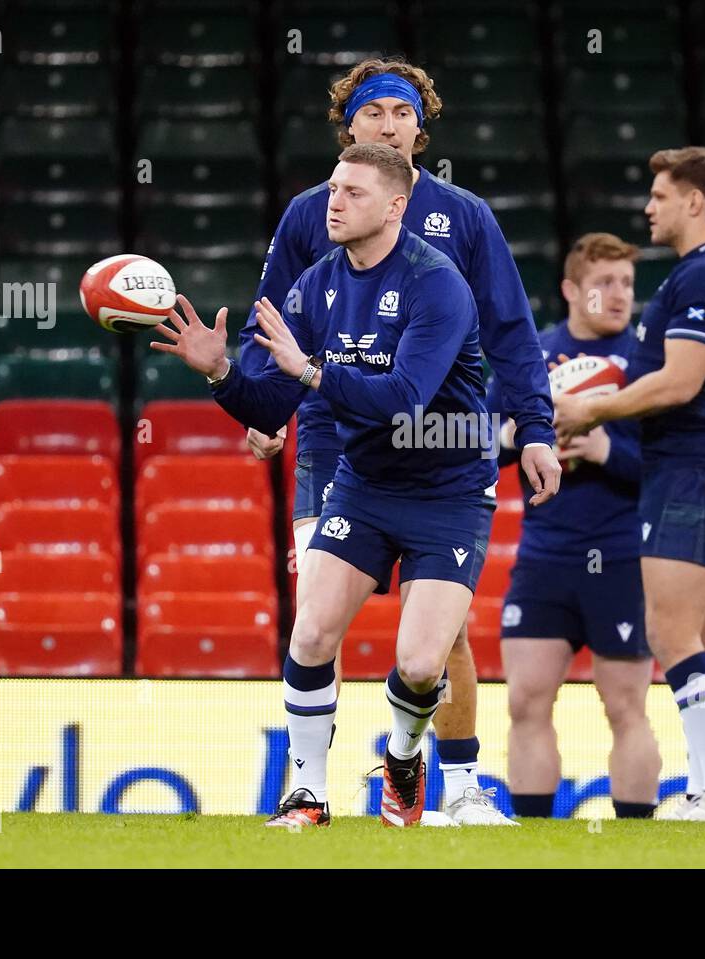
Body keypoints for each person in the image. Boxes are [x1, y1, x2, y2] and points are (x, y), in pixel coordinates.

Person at [237, 58, 559, 825]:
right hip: (333, 432)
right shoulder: (311, 213)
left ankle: (462, 783)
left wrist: (538, 426)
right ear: (349, 125)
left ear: (423, 125)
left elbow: (512, 329)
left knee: (438, 633)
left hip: (441, 436)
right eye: (374, 111)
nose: (389, 123)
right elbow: (271, 317)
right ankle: (314, 786)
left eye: (403, 112)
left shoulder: (464, 216)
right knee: (316, 614)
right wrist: (267, 400)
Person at [153, 143, 500, 828]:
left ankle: (404, 758)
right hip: (364, 483)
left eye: (354, 193)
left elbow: (405, 398)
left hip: (450, 491)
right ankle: (306, 795)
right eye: (334, 189)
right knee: (310, 631)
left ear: (397, 207)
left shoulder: (439, 284)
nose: (334, 202)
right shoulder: (313, 285)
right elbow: (269, 407)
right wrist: (221, 374)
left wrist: (313, 375)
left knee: (422, 663)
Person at [554, 147, 705, 821]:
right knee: (701, 632)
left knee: (670, 631)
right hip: (694, 468)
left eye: (660, 195)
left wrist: (592, 407)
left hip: (691, 469)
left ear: (695, 203)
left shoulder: (704, 277)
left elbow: (680, 382)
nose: (648, 206)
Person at [494, 233, 662, 821]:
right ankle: (535, 837)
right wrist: (521, 438)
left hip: (619, 557)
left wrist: (603, 449)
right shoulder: (530, 358)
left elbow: (668, 475)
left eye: (627, 285)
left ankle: (634, 844)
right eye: (605, 284)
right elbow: (481, 445)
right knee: (525, 701)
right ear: (571, 290)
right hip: (543, 556)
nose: (619, 297)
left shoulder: (649, 363)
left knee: (625, 707)